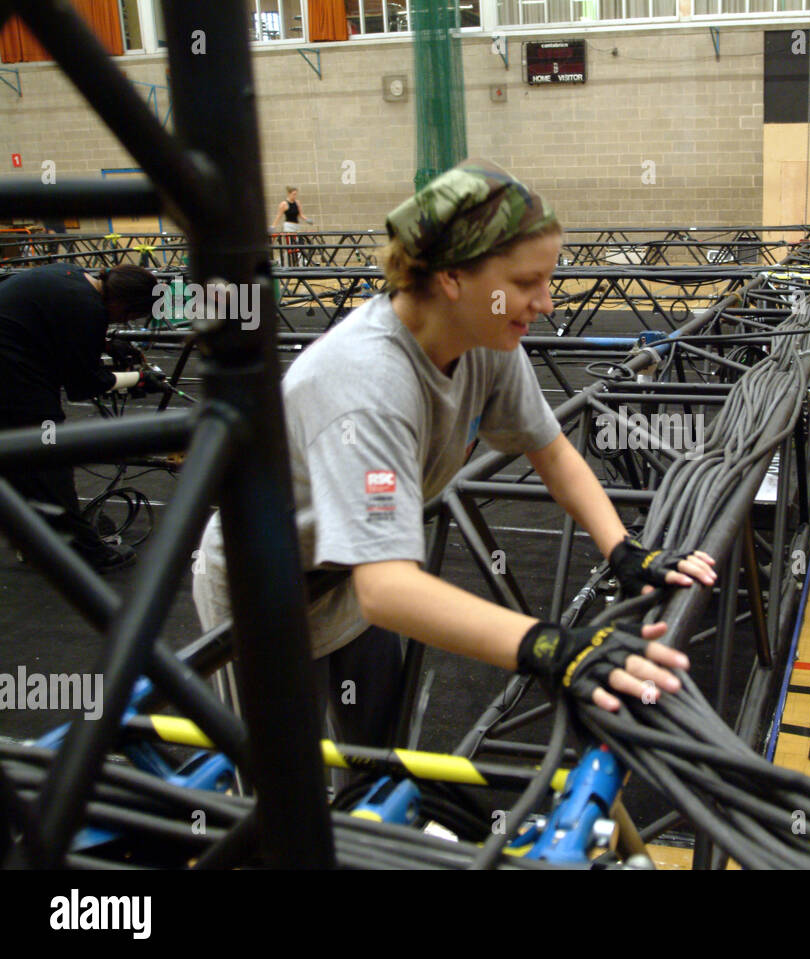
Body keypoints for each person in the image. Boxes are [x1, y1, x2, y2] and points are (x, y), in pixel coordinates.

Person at [194, 159, 716, 750]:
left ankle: (382, 832)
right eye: (525, 283)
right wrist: (550, 648)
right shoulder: (365, 384)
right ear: (451, 277)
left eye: (549, 279)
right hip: (267, 598)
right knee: (281, 791)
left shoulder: (486, 336)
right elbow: (387, 590)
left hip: (353, 574)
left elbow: (550, 450)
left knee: (379, 754)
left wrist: (622, 549)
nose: (545, 301)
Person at [0, 263, 160, 571]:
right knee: (50, 460)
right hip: (16, 384)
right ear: (123, 303)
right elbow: (83, 385)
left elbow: (50, 321)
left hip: (14, 371)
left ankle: (33, 541)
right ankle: (83, 552)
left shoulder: (72, 276)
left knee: (20, 464)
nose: (123, 321)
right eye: (127, 315)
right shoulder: (87, 307)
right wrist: (137, 379)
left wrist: (106, 344)